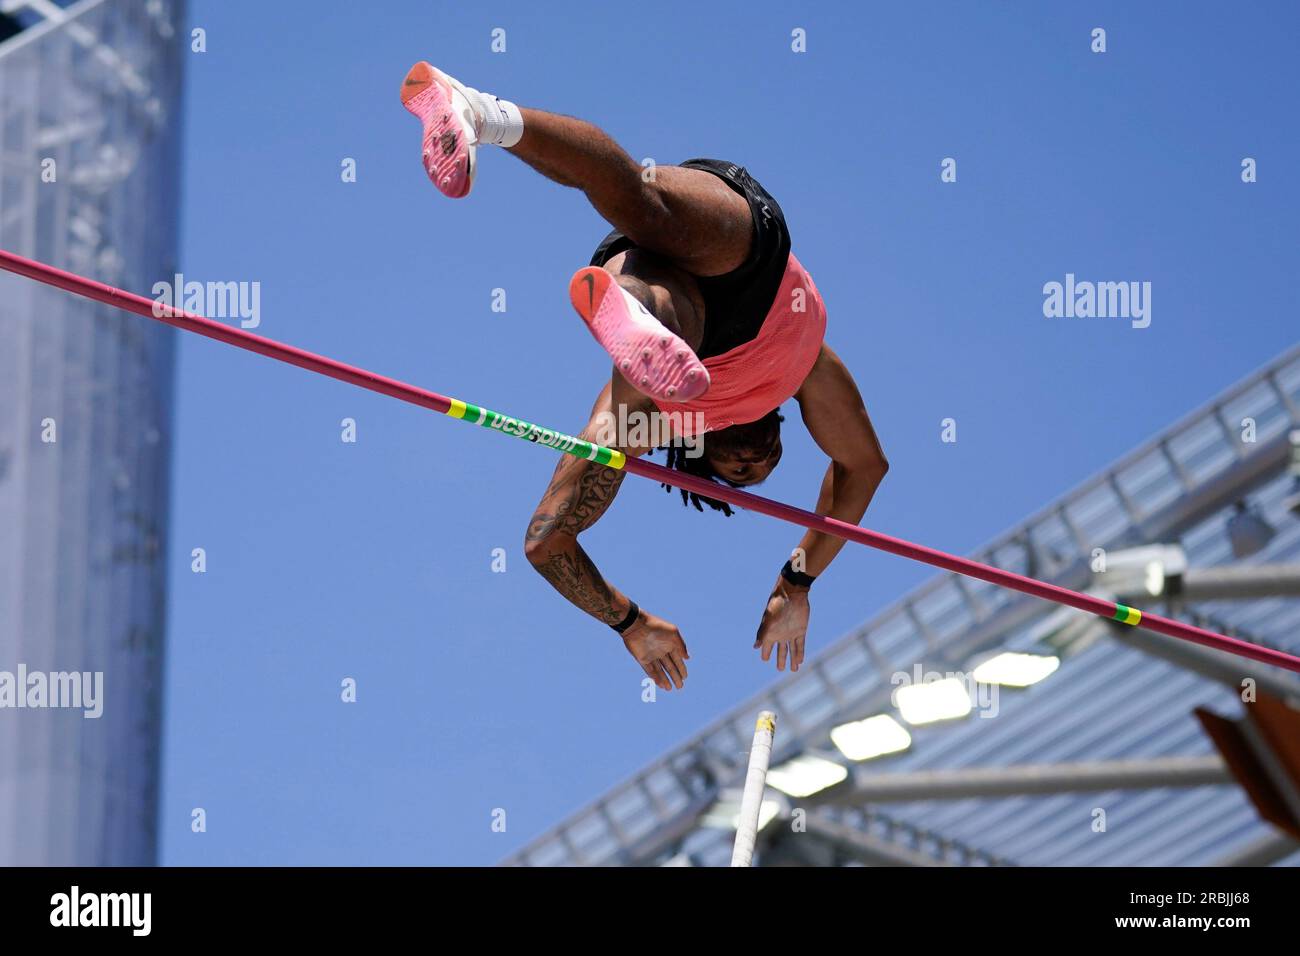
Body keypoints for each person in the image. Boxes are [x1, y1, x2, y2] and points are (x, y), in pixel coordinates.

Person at [402, 62, 889, 692]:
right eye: (767, 463)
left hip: (667, 315)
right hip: (753, 268)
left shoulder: (652, 427)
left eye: (737, 474)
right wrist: (796, 580)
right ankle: (481, 113)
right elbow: (863, 468)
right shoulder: (805, 371)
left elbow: (545, 542)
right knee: (643, 201)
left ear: (696, 455)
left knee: (651, 371)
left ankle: (630, 307)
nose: (755, 463)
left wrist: (628, 621)